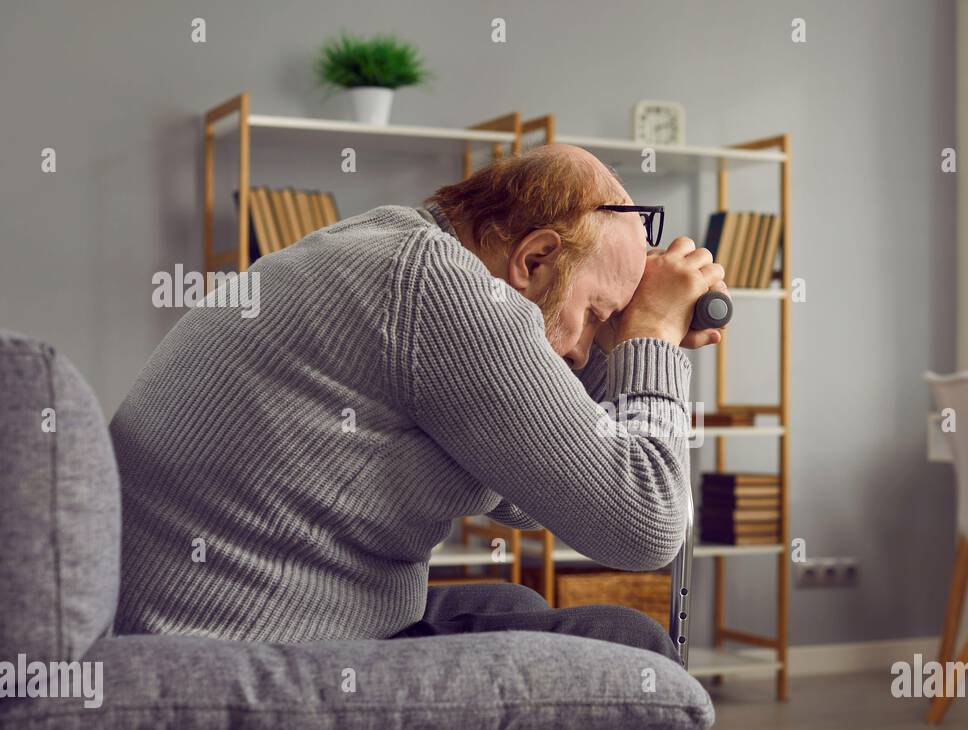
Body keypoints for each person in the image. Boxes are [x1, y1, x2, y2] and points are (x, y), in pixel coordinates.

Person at [109, 144, 726, 659]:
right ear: (533, 258)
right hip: (242, 649)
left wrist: (620, 344)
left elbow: (524, 499)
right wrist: (652, 339)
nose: (587, 351)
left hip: (230, 617)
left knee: (515, 606)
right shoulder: (435, 288)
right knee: (630, 646)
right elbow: (644, 528)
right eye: (596, 316)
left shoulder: (394, 250)